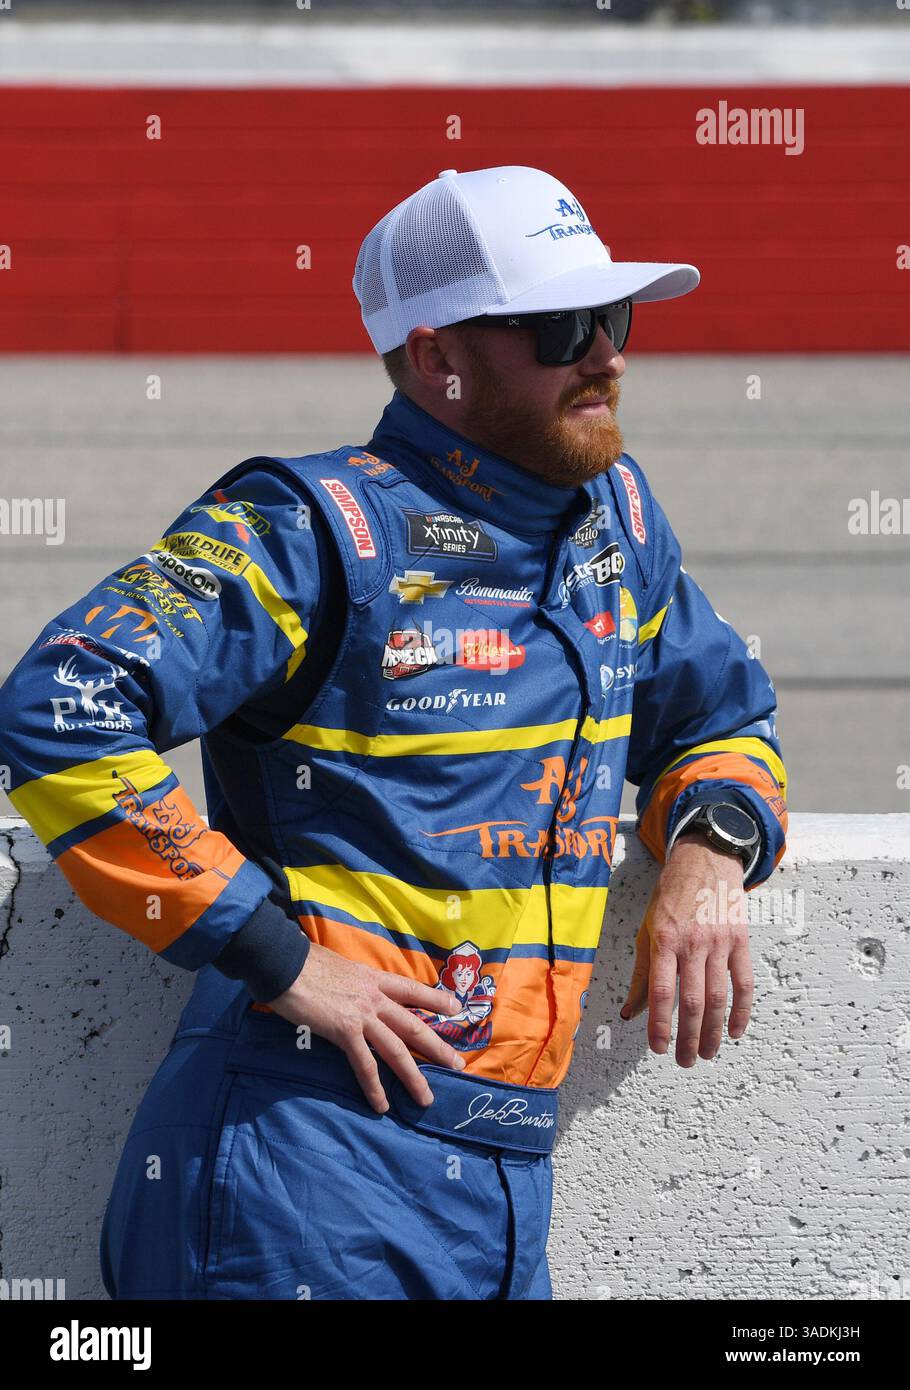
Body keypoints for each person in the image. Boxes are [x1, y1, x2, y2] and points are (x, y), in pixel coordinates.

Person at [0, 165, 788, 1301]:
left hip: (509, 1180)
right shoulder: (310, 530)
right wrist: (278, 957)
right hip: (299, 1169)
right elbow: (59, 704)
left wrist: (710, 849)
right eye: (563, 326)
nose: (608, 355)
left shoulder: (615, 523)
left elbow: (722, 713)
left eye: (613, 317)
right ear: (437, 359)